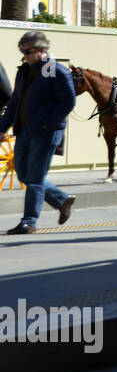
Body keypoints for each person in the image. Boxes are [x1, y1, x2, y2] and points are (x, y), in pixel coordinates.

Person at [0, 31, 77, 233]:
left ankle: (29, 221)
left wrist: (47, 123)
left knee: (34, 177)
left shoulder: (52, 70)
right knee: (23, 172)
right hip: (25, 129)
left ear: (42, 50)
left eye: (28, 51)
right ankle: (61, 200)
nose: (25, 55)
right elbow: (15, 101)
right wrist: (2, 127)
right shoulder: (24, 71)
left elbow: (67, 102)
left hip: (45, 132)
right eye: (22, 51)